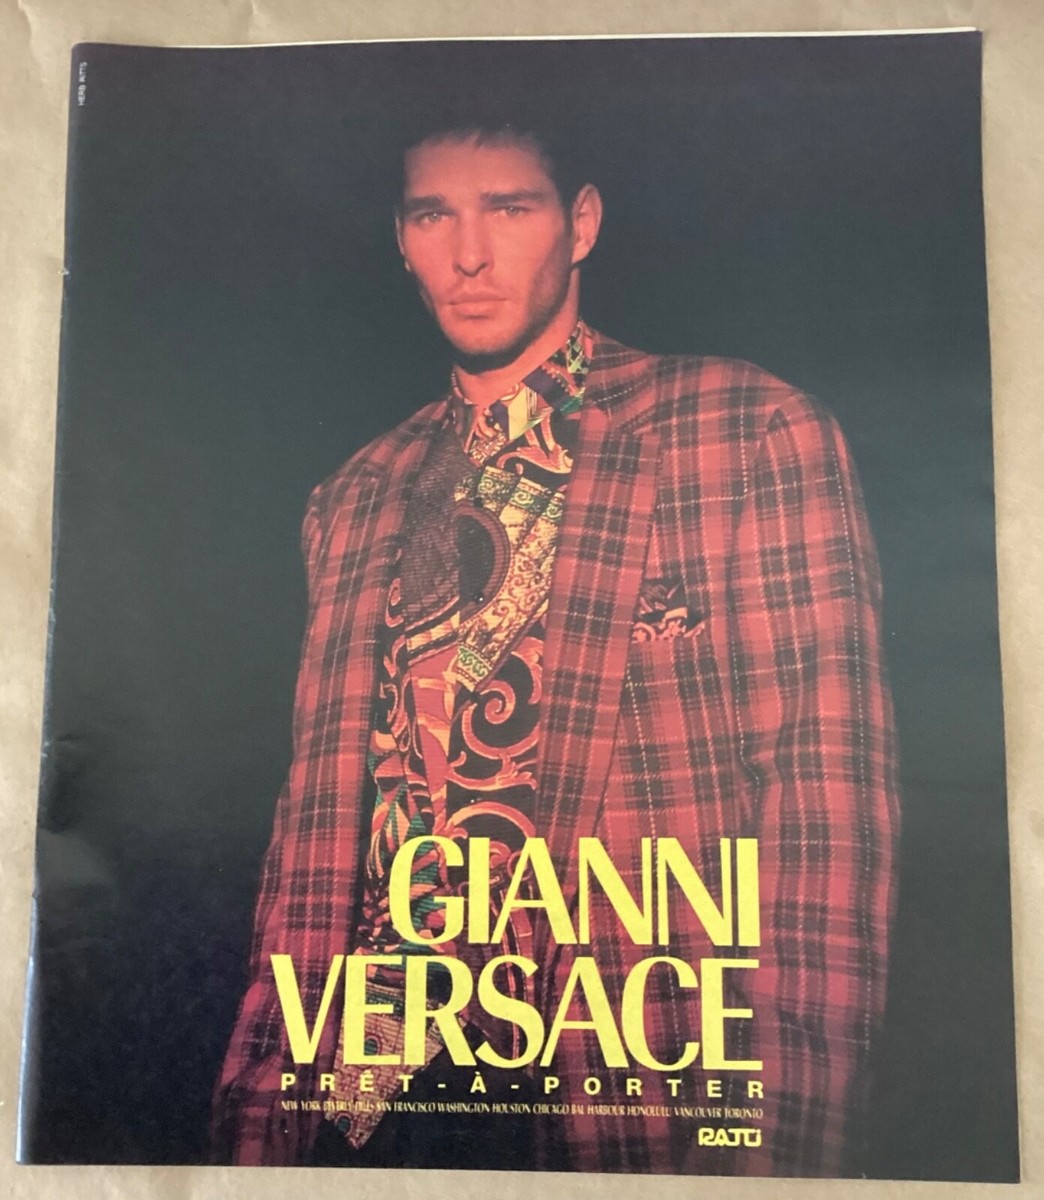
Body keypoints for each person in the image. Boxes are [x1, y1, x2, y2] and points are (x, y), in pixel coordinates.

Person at [210, 106, 900, 1177]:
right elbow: (311, 837)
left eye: (508, 209)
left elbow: (825, 805)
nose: (469, 254)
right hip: (369, 1093)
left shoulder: (740, 429)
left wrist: (777, 1141)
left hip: (623, 1077)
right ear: (401, 239)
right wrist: (259, 1117)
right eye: (433, 216)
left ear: (580, 223)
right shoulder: (353, 498)